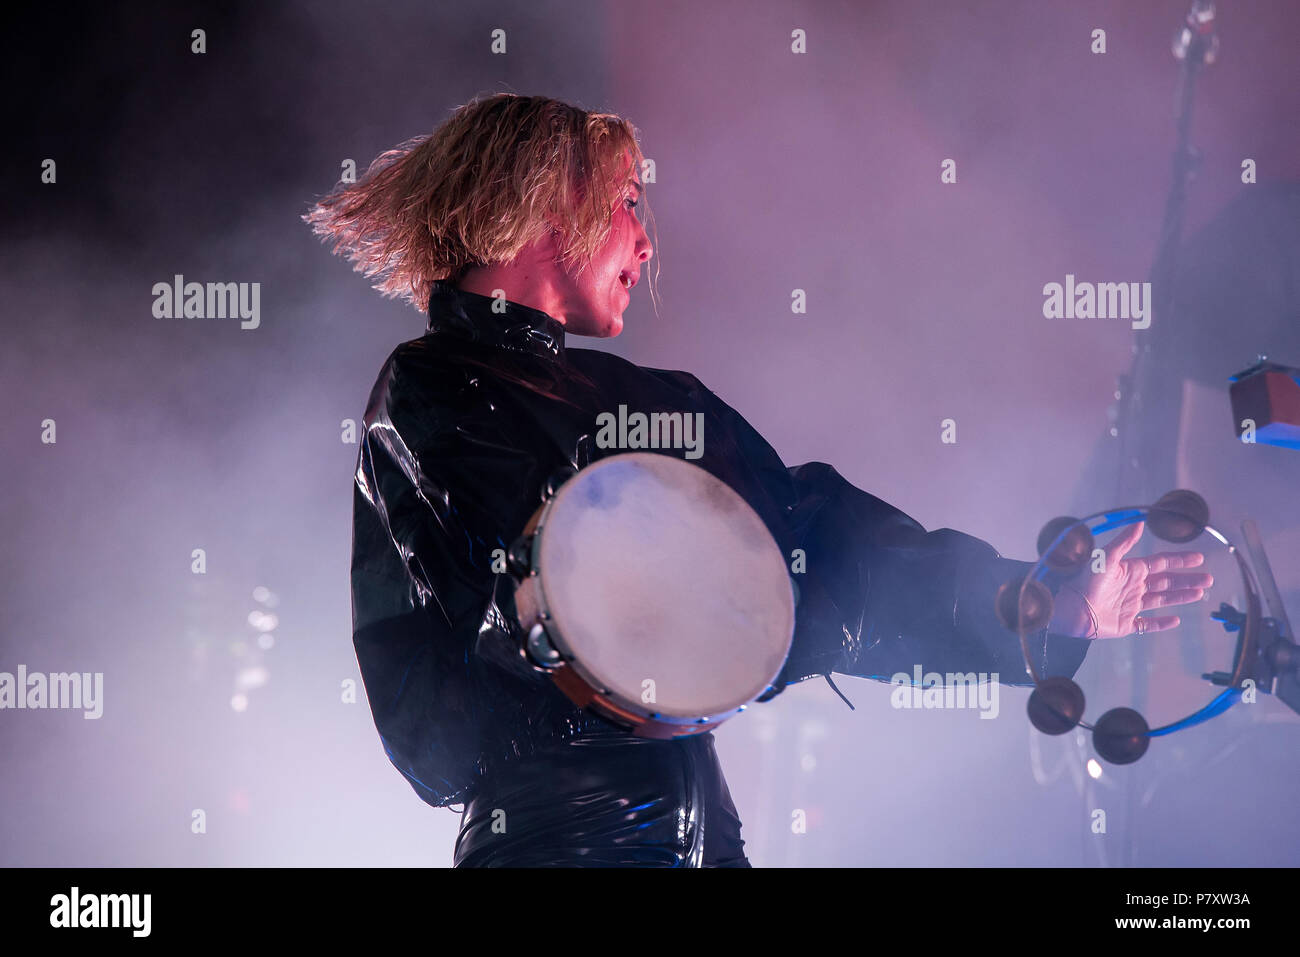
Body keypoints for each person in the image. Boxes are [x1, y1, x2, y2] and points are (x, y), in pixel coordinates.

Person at [305, 92, 1213, 867]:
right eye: (627, 202)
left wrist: (1031, 605)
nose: (646, 242)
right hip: (557, 839)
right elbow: (566, 605)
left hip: (705, 830)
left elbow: (820, 541)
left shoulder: (651, 400)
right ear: (552, 201)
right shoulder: (431, 387)